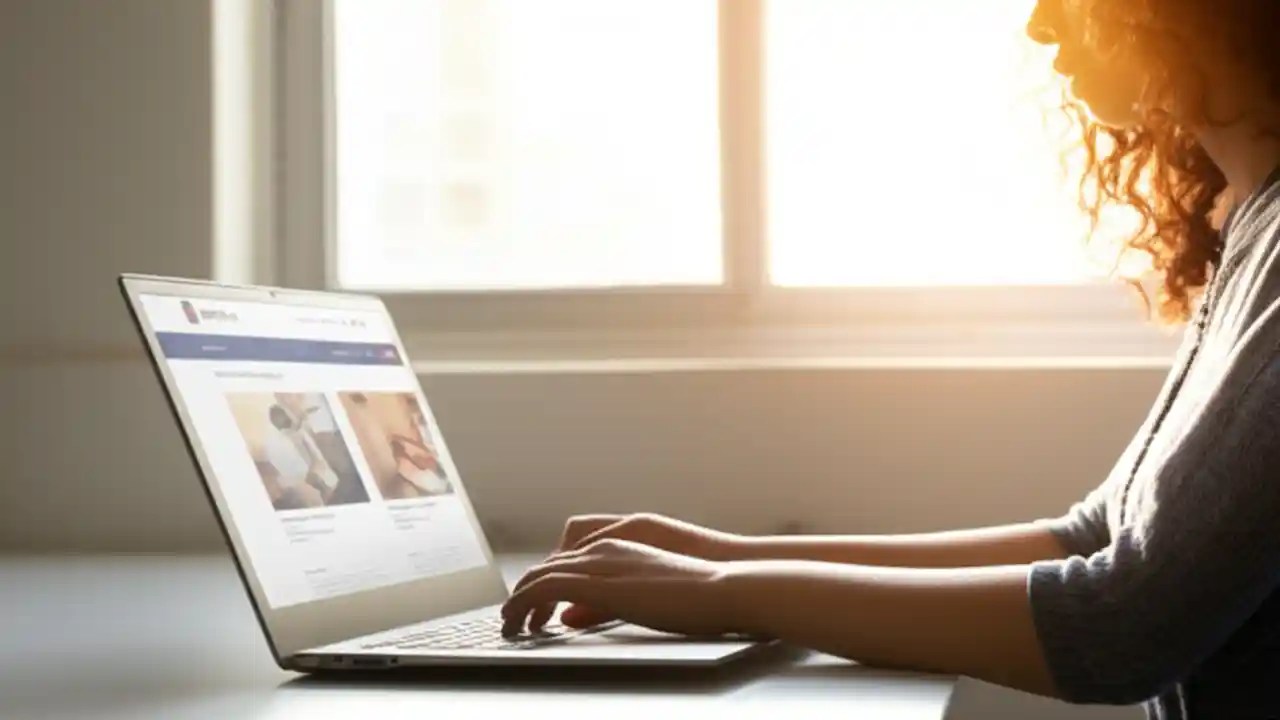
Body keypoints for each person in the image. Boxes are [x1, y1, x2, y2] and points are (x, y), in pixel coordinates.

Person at [502, 2, 1280, 718]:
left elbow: (1120, 627)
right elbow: (1090, 537)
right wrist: (720, 553)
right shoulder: (1253, 221)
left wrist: (725, 591)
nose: (1043, 25)